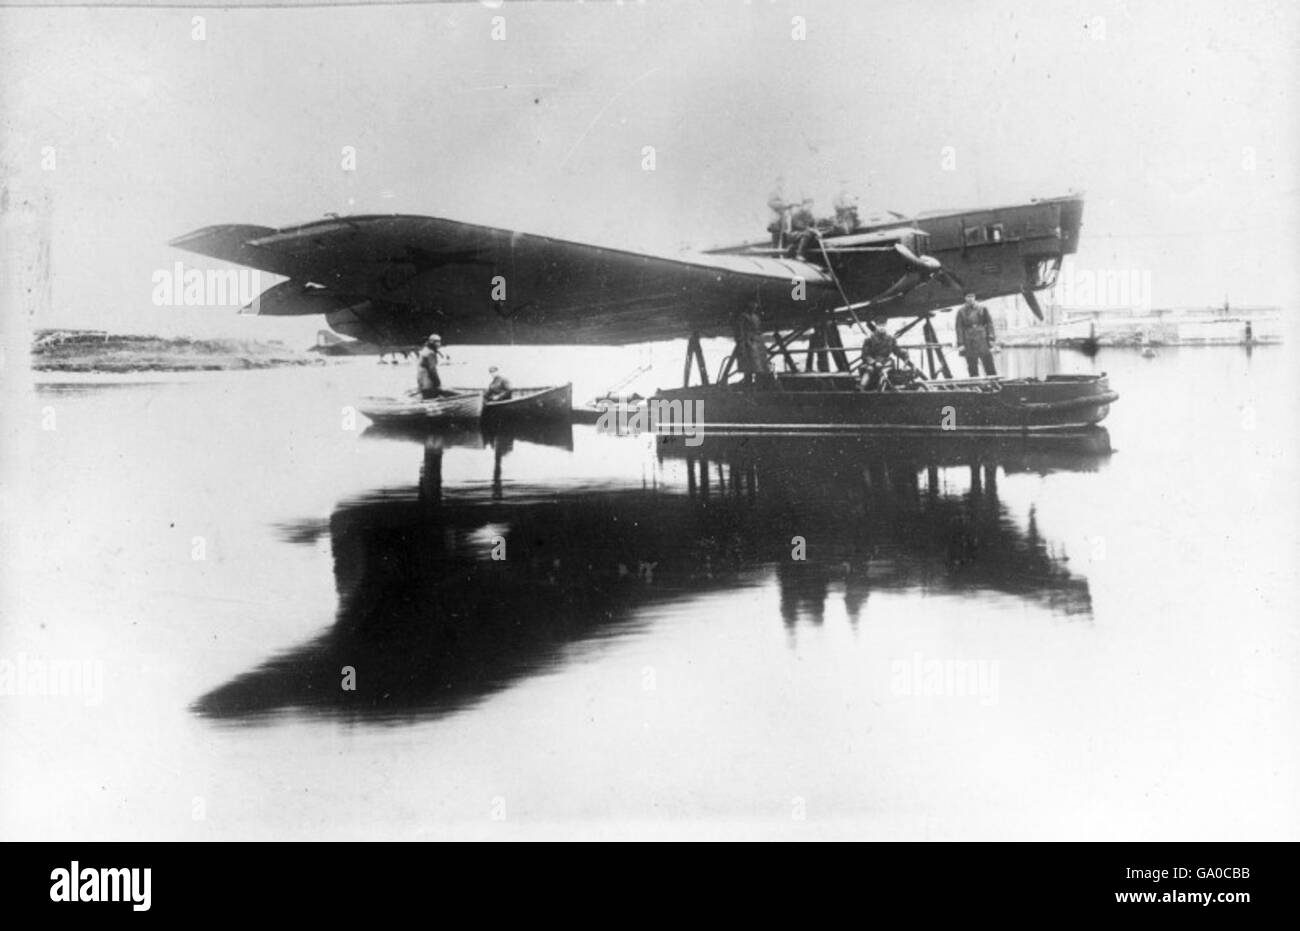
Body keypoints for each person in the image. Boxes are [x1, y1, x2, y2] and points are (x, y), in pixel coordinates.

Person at [859, 314, 910, 390]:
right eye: (879, 325)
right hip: (873, 363)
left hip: (886, 362)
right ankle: (861, 388)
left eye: (883, 325)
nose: (881, 327)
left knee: (888, 372)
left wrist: (904, 353)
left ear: (886, 325)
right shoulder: (869, 339)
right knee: (869, 370)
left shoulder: (890, 338)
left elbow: (896, 350)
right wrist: (874, 362)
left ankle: (886, 388)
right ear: (876, 325)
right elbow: (865, 355)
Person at [954, 293, 997, 377]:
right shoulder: (961, 311)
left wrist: (991, 338)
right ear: (965, 298)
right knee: (972, 365)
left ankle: (994, 382)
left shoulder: (983, 308)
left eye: (972, 296)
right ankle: (975, 384)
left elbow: (989, 324)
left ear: (975, 297)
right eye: (968, 297)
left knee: (988, 362)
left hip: (982, 338)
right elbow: (959, 328)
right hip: (968, 339)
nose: (970, 299)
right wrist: (960, 343)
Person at [416, 333, 448, 399]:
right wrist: (438, 383)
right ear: (432, 342)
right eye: (438, 342)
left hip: (421, 383)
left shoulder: (424, 350)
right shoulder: (430, 353)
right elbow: (432, 370)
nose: (439, 344)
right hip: (429, 384)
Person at [767, 179, 793, 249]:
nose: (781, 184)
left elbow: (788, 205)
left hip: (784, 218)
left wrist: (789, 206)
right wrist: (784, 204)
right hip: (776, 218)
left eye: (783, 182)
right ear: (776, 183)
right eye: (780, 182)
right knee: (776, 239)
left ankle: (784, 256)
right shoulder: (774, 192)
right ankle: (774, 256)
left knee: (785, 238)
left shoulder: (785, 193)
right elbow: (770, 203)